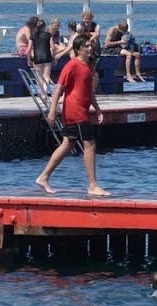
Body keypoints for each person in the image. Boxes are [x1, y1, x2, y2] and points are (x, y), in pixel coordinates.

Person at [35, 35, 110, 197]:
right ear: (78, 49)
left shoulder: (88, 66)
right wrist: (53, 110)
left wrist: (97, 109)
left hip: (83, 110)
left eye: (90, 46)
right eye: (86, 46)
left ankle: (43, 177)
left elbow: (89, 92)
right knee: (90, 144)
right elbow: (58, 89)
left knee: (67, 145)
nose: (89, 48)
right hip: (74, 111)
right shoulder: (72, 66)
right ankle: (93, 185)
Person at [30, 18, 54, 94]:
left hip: (37, 57)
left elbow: (29, 48)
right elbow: (52, 47)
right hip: (47, 56)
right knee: (46, 76)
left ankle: (41, 91)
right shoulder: (48, 35)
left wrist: (29, 59)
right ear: (44, 27)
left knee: (39, 77)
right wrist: (53, 56)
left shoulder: (33, 35)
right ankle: (44, 93)